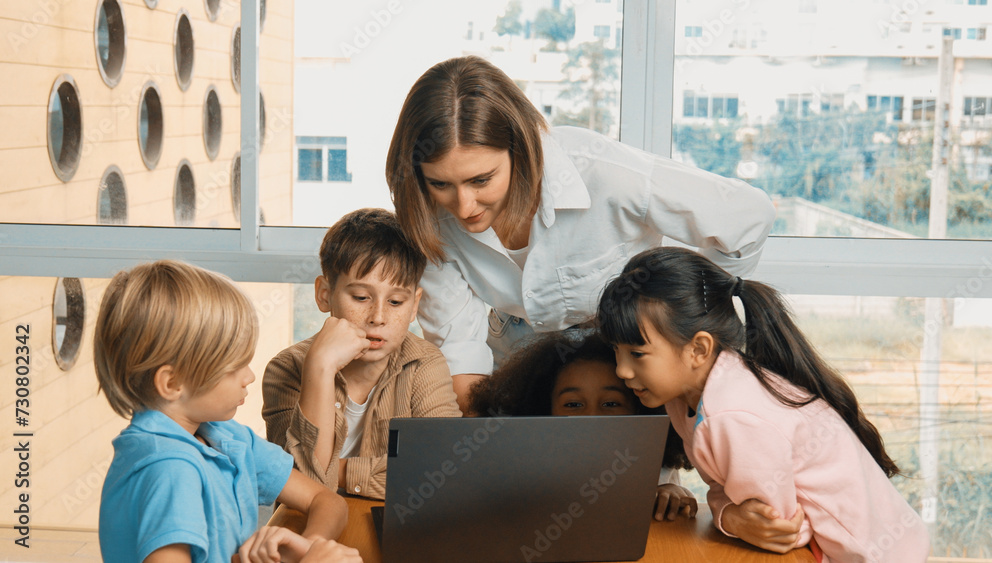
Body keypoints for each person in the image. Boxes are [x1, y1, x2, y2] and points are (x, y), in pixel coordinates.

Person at [385, 55, 776, 414]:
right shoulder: (428, 217)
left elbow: (749, 217)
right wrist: (482, 446)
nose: (464, 206)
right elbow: (460, 351)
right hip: (520, 373)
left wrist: (683, 318)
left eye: (481, 179)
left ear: (521, 149)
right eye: (440, 184)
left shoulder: (607, 175)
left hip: (627, 375)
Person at [595, 246, 931, 562]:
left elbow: (778, 530)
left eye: (637, 354)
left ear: (698, 349)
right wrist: (730, 514)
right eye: (617, 351)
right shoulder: (691, 396)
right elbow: (733, 499)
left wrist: (729, 516)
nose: (622, 371)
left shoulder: (733, 414)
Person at [94, 260, 360, 563]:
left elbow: (326, 500)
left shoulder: (223, 436)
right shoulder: (168, 471)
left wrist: (309, 544)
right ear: (172, 383)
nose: (248, 376)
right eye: (234, 367)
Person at [262, 208, 461, 501]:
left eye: (395, 301)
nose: (378, 317)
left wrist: (337, 471)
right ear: (324, 294)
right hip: (310, 529)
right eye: (361, 297)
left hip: (397, 525)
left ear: (414, 305)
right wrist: (320, 367)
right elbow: (303, 487)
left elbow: (446, 474)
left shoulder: (424, 364)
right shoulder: (287, 368)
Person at [468, 329, 698, 522]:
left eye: (610, 403)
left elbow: (668, 506)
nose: (592, 416)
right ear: (544, 411)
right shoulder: (523, 475)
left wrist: (669, 493)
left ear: (639, 409)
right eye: (573, 404)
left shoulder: (655, 467)